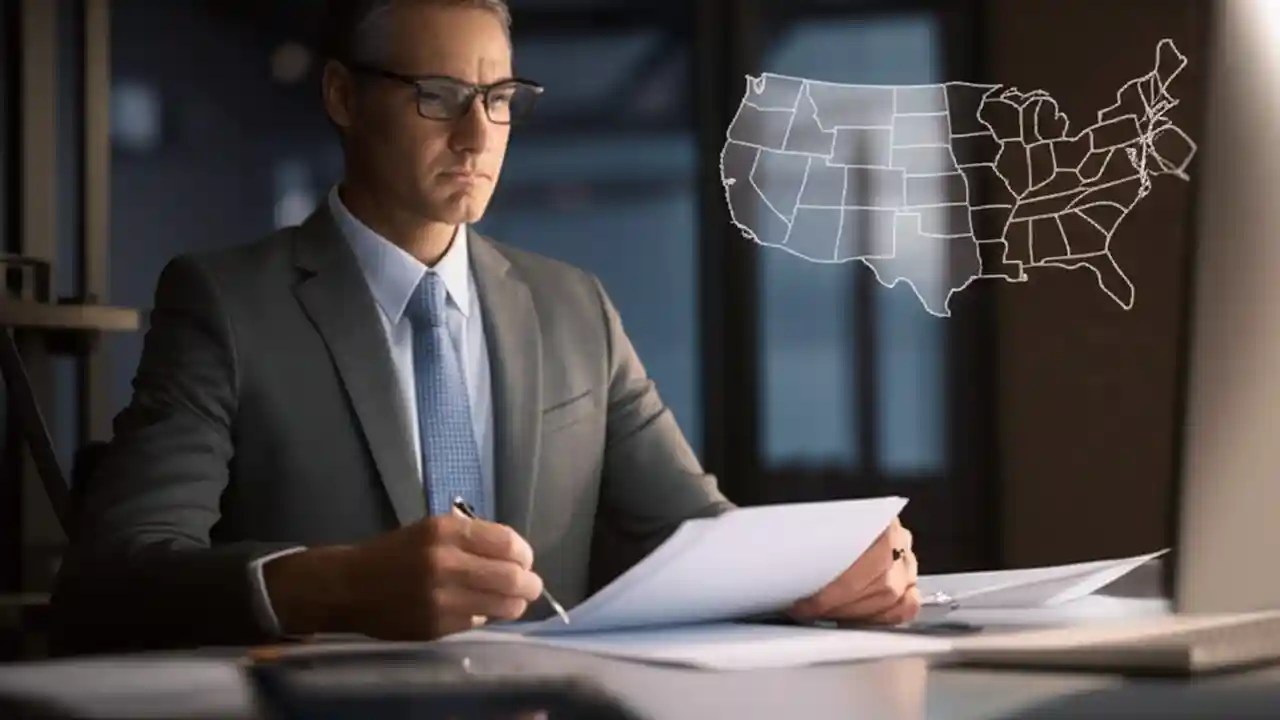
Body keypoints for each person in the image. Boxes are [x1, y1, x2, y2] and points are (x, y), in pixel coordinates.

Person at [50, 0, 920, 651]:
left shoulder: (573, 307)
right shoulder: (227, 302)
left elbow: (690, 531)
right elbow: (113, 580)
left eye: (499, 97)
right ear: (344, 95)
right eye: (438, 95)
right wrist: (337, 586)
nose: (477, 134)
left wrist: (819, 574)